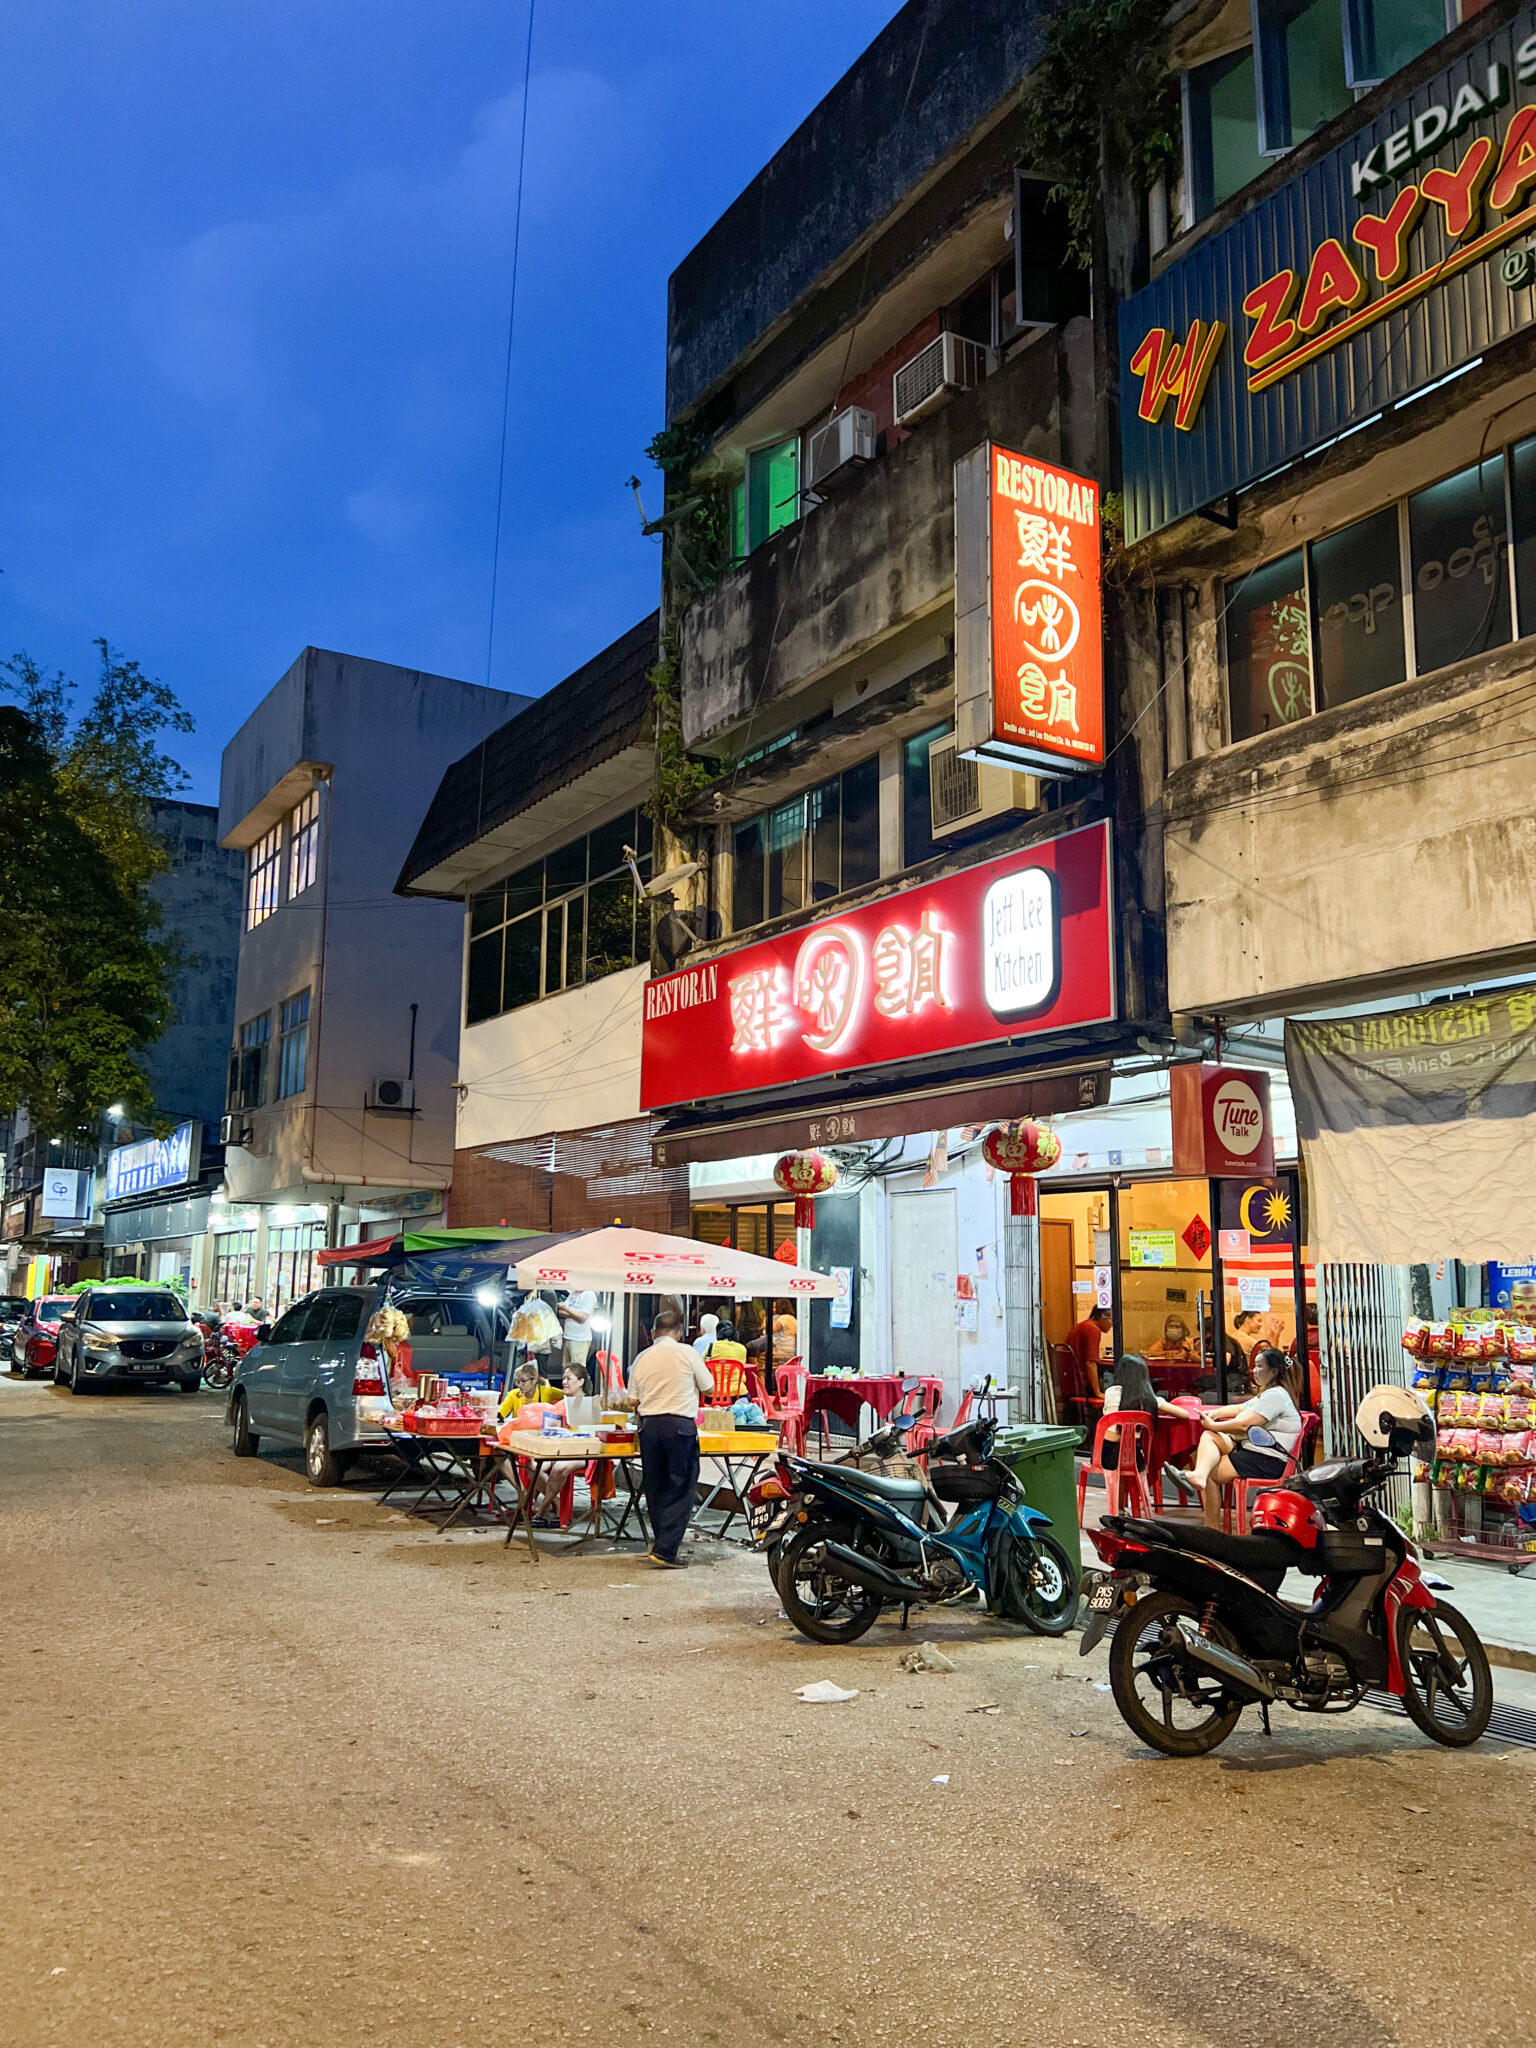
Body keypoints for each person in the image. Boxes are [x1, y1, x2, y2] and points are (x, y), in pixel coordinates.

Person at [611, 1308, 712, 1568]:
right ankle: (666, 1549)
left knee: (655, 1485)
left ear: (654, 1332)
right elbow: (710, 1387)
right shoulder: (688, 1352)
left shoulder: (642, 1357)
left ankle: (661, 1543)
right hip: (680, 1426)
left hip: (650, 1428)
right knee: (681, 1486)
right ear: (679, 1332)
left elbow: (632, 1400)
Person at [1188, 1345, 1303, 1529]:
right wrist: (1215, 1415)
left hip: (1267, 1460)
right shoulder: (1268, 1393)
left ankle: (1211, 1529)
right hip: (1253, 1452)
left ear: (1273, 1371)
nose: (1254, 1371)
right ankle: (1199, 1475)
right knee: (1209, 1437)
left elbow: (1244, 1424)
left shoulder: (1275, 1395)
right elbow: (1241, 1408)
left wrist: (1215, 1425)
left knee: (1210, 1466)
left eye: (1259, 1366)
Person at [1098, 1353, 1186, 1469]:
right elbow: (1184, 1414)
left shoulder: (1111, 1392)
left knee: (1116, 1478)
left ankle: (1118, 1488)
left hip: (1106, 1454)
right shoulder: (1149, 1398)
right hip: (1134, 1456)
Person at [1064, 1306, 1113, 1399]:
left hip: (1071, 1382)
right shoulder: (1093, 1330)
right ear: (1103, 1317)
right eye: (1112, 1319)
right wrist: (1098, 1392)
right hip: (1083, 1384)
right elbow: (1090, 1363)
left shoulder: (1082, 1326)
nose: (1112, 1324)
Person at [559, 1288, 597, 1383]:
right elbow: (561, 1312)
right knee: (566, 1370)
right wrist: (573, 1313)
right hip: (568, 1336)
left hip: (580, 1339)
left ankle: (579, 1397)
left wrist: (567, 1309)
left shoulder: (589, 1294)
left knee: (577, 1373)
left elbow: (582, 1318)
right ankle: (568, 1395)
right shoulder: (573, 1293)